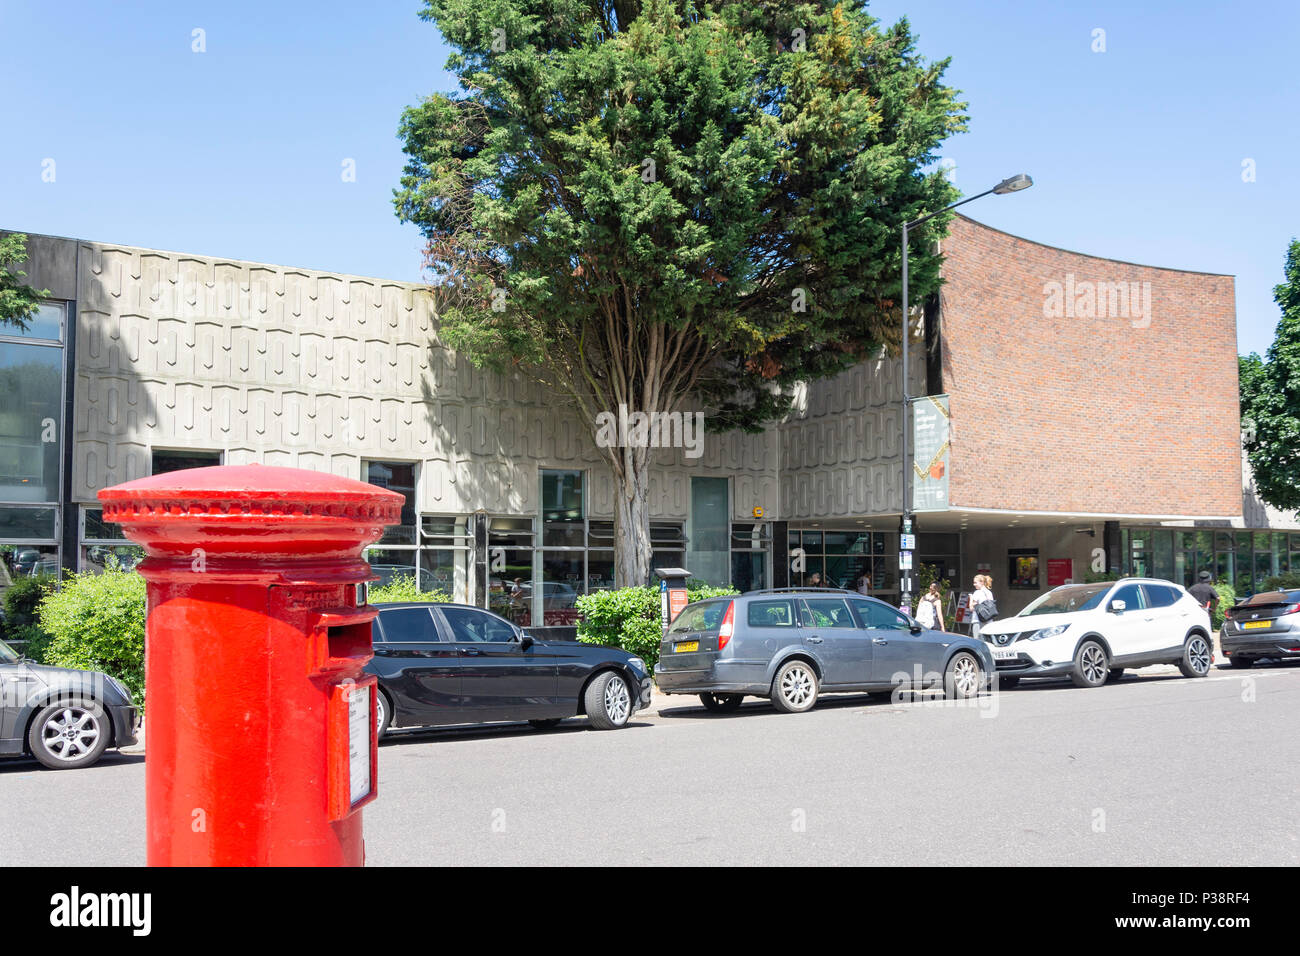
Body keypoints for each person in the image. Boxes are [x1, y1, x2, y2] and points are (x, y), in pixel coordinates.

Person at [1188, 570, 1221, 660]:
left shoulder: (1193, 588)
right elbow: (1218, 598)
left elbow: (1186, 597)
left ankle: (1195, 652)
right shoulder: (1209, 588)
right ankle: (1209, 654)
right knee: (1207, 633)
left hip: (1193, 613)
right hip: (1204, 613)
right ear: (1208, 579)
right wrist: (1214, 608)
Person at [968, 574, 996, 639]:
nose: (974, 584)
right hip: (989, 620)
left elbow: (971, 608)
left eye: (975, 582)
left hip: (978, 621)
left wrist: (971, 598)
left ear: (982, 582)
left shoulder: (977, 592)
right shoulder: (989, 592)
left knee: (977, 641)